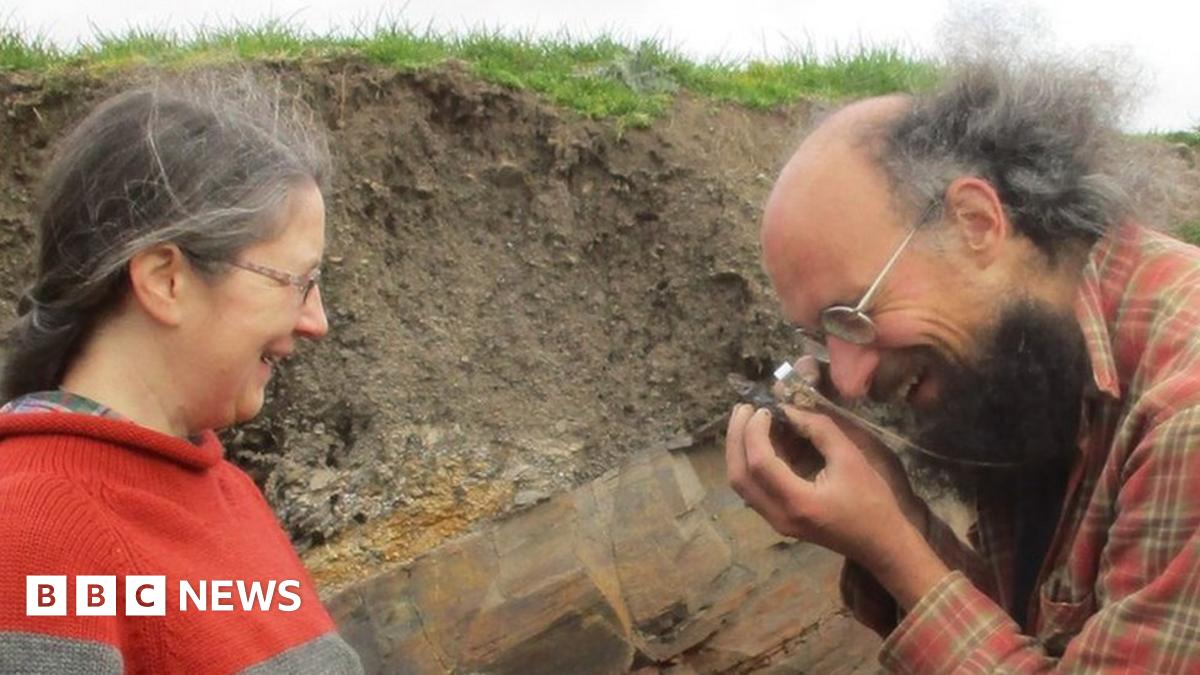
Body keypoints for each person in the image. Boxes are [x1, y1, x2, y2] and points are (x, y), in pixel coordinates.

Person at [725, 60, 1200, 672]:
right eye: (821, 336)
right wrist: (900, 518)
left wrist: (894, 549)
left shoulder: (1184, 417)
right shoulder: (1026, 365)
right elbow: (1029, 642)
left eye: (852, 314)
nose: (847, 380)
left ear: (975, 222)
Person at [0, 77, 363, 673]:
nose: (316, 320)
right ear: (166, 279)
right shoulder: (32, 531)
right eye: (296, 281)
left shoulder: (225, 492)